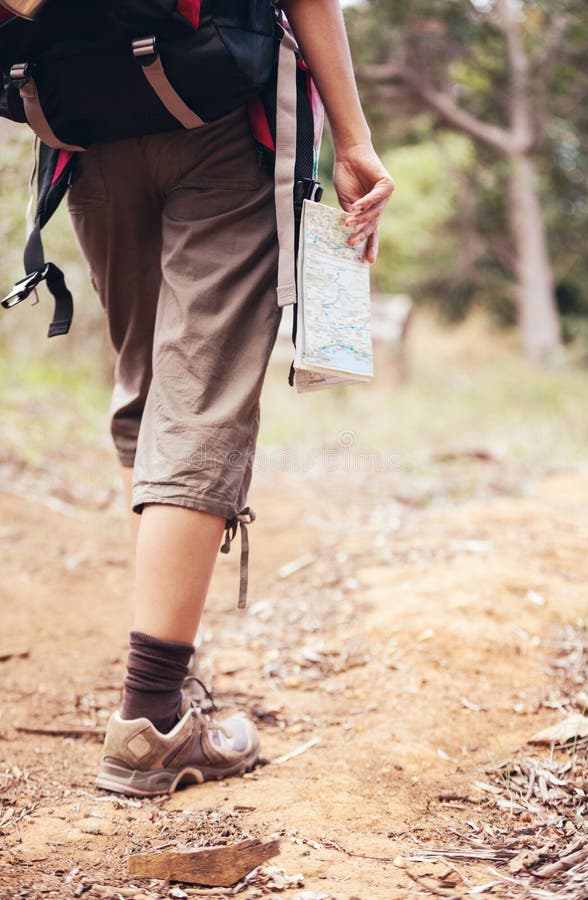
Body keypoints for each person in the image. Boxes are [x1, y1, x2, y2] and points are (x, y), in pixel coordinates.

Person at [67, 0, 394, 797]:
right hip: (218, 107)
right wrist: (353, 140)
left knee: (145, 385)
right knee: (199, 396)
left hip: (80, 116)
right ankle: (152, 715)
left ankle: (165, 665)